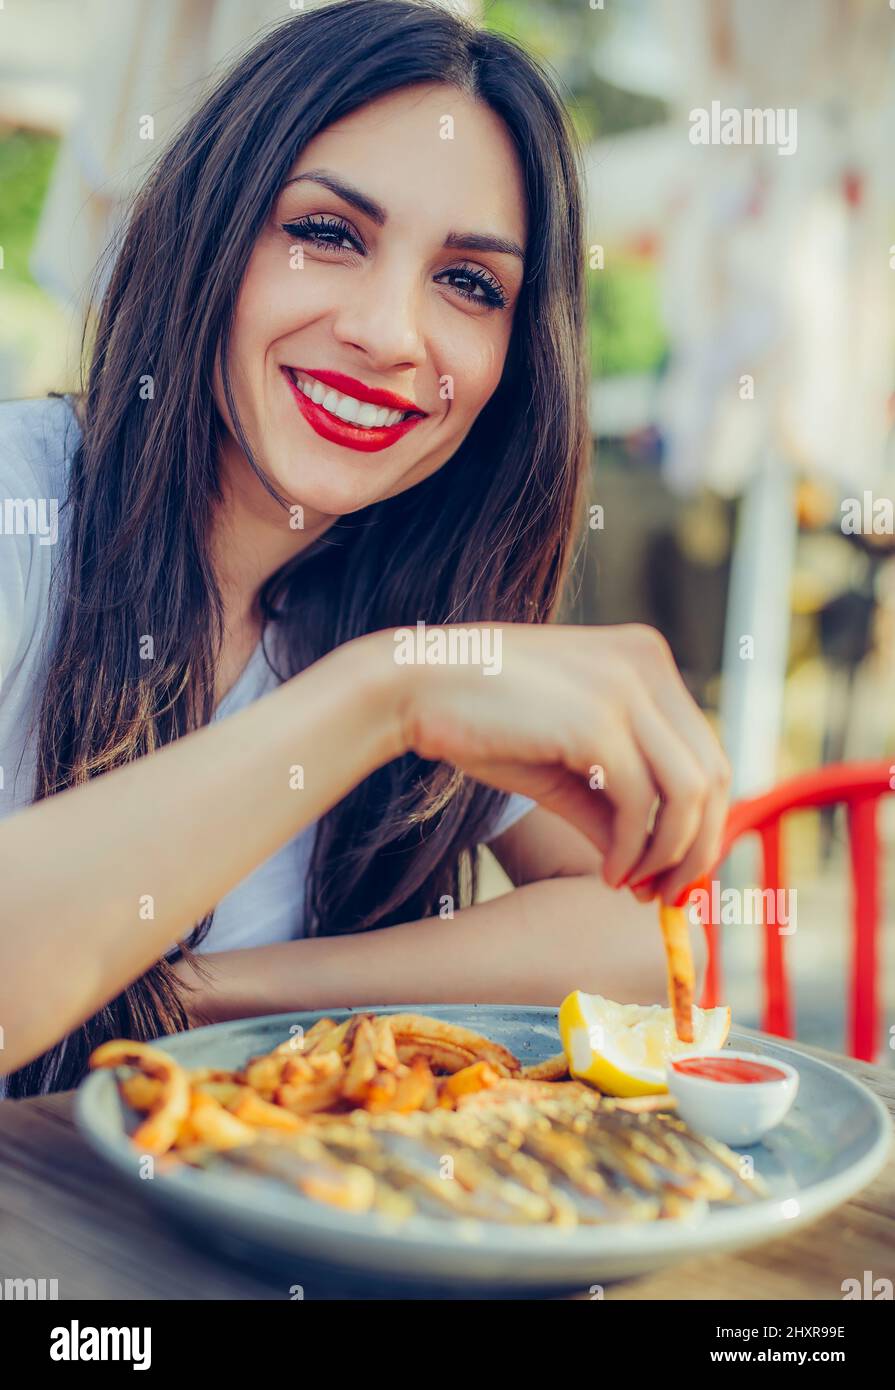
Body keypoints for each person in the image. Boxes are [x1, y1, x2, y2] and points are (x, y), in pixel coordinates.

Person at [0, 0, 728, 1096]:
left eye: (469, 283)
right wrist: (378, 700)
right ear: (209, 229)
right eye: (326, 233)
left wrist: (196, 988)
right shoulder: (26, 503)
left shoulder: (418, 591)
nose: (388, 334)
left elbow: (635, 939)